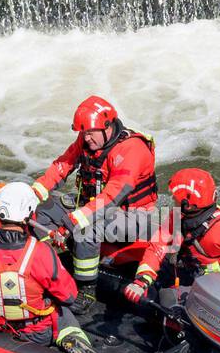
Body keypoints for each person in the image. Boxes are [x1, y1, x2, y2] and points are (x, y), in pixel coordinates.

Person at [30, 95, 158, 313]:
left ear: (107, 126)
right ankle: (54, 262)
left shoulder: (132, 150)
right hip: (93, 205)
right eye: (83, 133)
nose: (86, 138)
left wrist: (75, 219)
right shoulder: (86, 140)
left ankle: (87, 288)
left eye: (90, 133)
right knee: (41, 210)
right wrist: (35, 191)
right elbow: (62, 165)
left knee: (87, 231)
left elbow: (113, 195)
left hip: (135, 216)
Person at [0, 181, 97, 353]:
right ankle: (71, 337)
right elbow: (69, 295)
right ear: (30, 214)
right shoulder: (43, 253)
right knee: (64, 312)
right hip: (40, 331)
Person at [123, 168, 220, 304]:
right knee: (158, 275)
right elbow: (157, 246)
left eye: (174, 196)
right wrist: (142, 279)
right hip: (198, 272)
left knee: (167, 298)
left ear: (186, 203)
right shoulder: (179, 217)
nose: (172, 199)